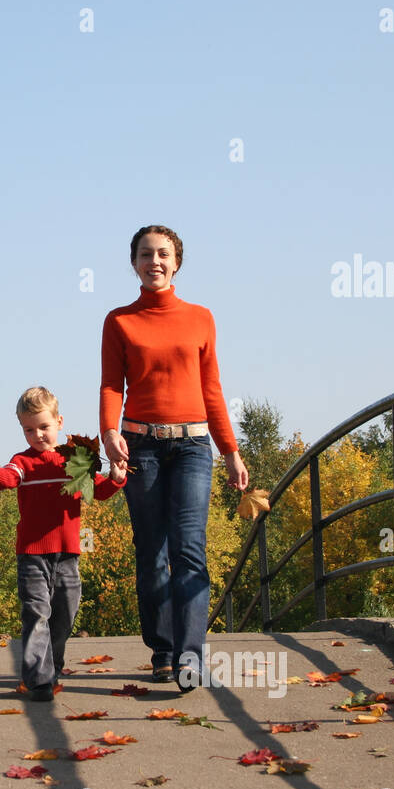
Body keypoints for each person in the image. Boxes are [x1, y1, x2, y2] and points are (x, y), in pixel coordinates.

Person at [99, 225, 249, 693]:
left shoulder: (201, 318)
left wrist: (231, 450)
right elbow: (111, 385)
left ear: (177, 262)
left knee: (189, 550)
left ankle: (190, 656)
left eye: (163, 254)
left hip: (192, 448)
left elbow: (212, 388)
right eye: (146, 255)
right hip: (140, 446)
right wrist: (108, 433)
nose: (155, 261)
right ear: (134, 263)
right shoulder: (119, 321)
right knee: (152, 552)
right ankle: (162, 650)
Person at [0, 387, 125, 701]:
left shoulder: (76, 460)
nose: (37, 434)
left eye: (44, 427)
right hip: (32, 555)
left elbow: (102, 491)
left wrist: (117, 477)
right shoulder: (22, 462)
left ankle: (51, 665)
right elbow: (4, 480)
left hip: (68, 554)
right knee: (36, 614)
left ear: (59, 422)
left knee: (64, 615)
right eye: (28, 429)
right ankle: (38, 680)